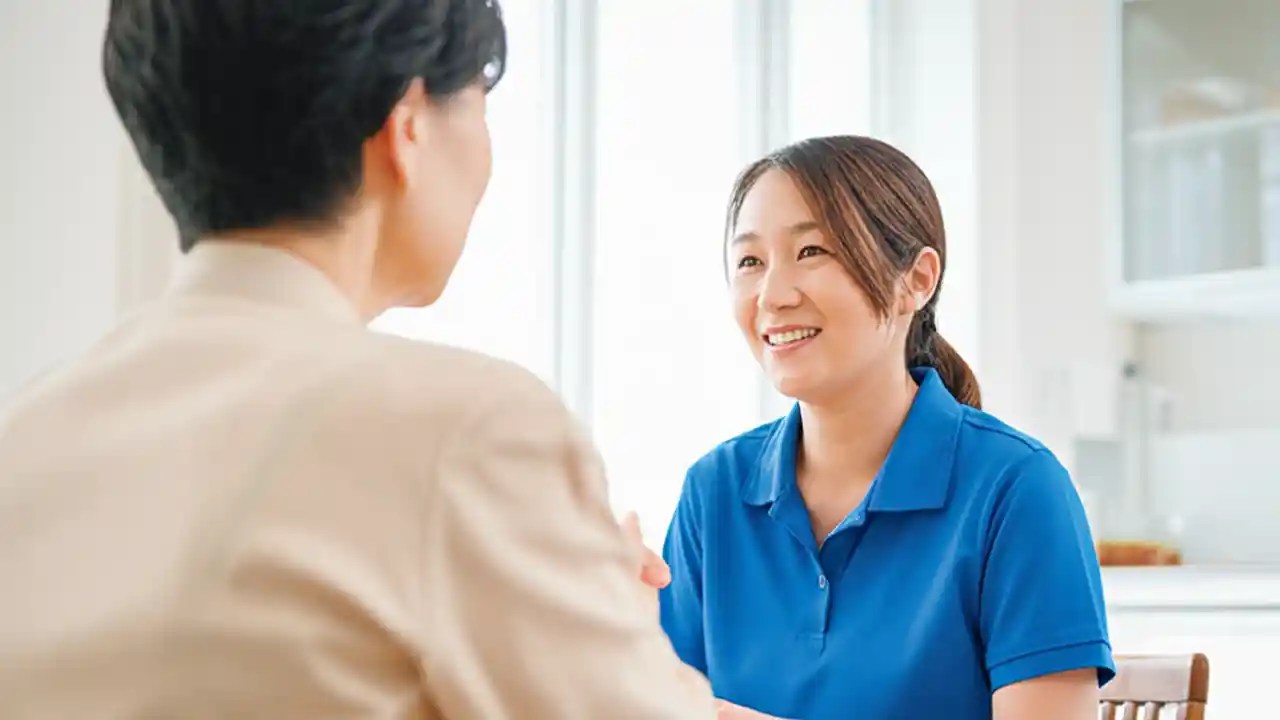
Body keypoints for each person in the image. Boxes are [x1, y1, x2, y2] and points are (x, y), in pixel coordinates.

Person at [0, 1, 713, 718]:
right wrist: (610, 617)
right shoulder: (469, 433)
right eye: (479, 102)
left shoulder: (25, 434)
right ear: (407, 128)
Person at [659, 136, 1114, 720]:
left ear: (916, 281)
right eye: (750, 261)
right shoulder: (714, 491)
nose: (772, 295)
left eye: (813, 251)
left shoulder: (1016, 489)